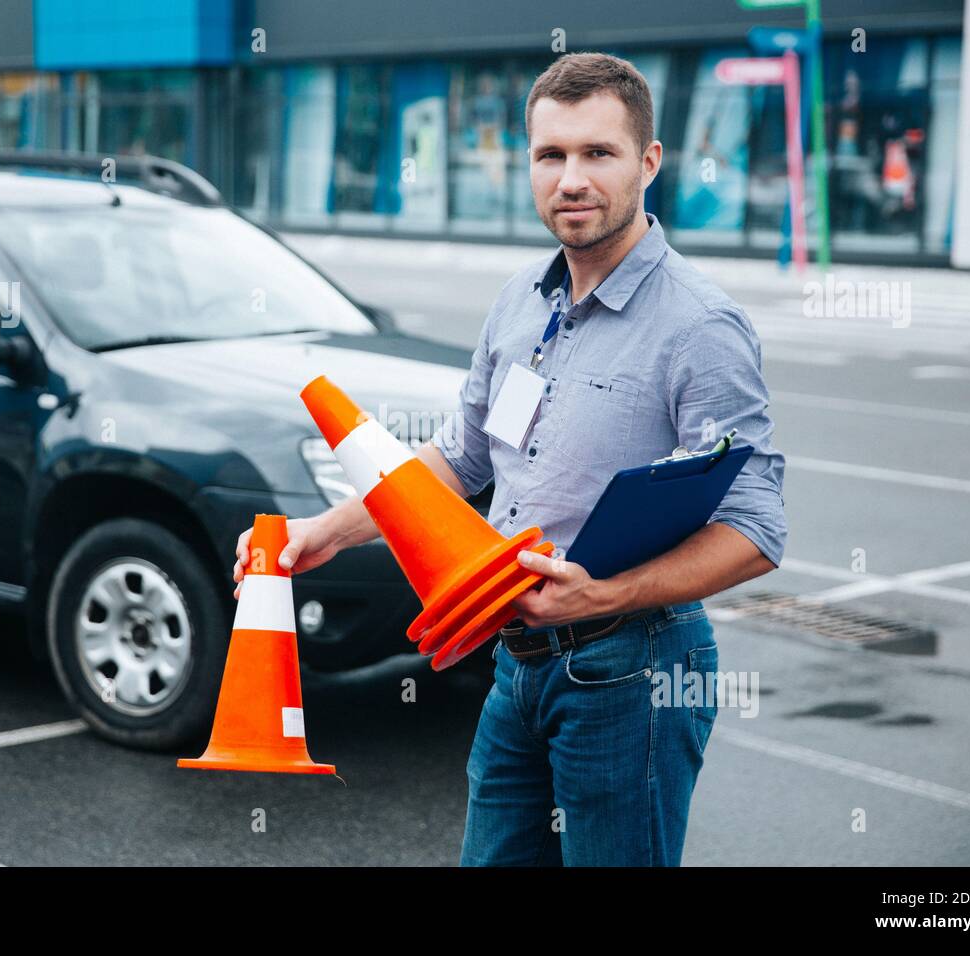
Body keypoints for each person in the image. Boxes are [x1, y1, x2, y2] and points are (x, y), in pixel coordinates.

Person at [232, 52, 787, 866]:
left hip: (633, 665)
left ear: (649, 162)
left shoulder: (700, 326)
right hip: (515, 664)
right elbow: (460, 460)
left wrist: (604, 593)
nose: (571, 178)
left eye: (598, 153)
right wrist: (327, 532)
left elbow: (757, 527)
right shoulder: (520, 300)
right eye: (550, 155)